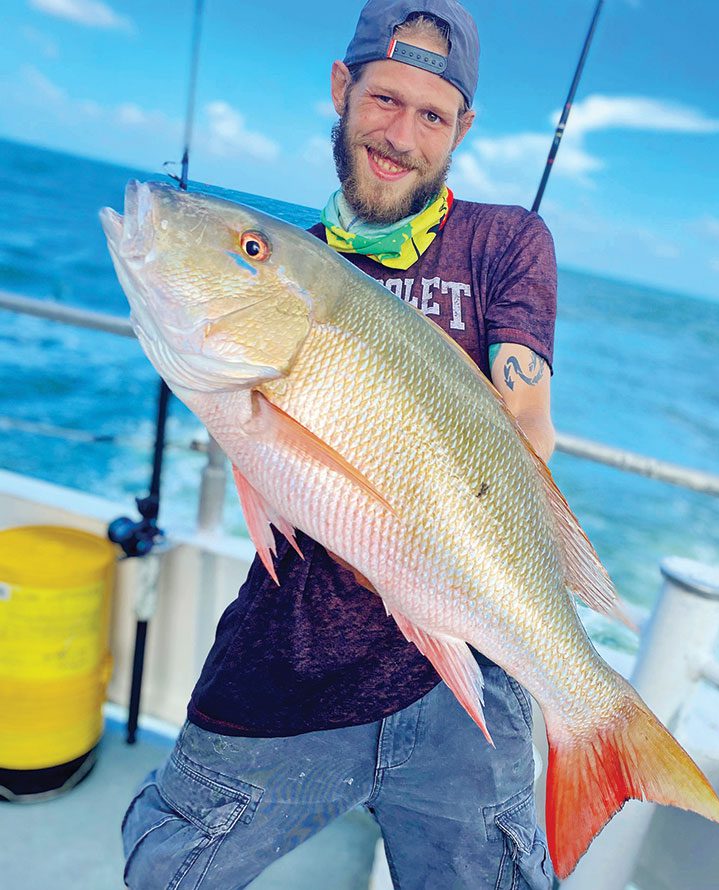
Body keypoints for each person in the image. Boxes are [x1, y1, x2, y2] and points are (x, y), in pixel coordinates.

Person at [121, 1, 557, 887]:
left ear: (462, 128)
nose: (401, 135)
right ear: (341, 89)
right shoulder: (301, 264)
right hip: (295, 654)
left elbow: (526, 439)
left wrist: (427, 540)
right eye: (384, 100)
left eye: (432, 115)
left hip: (463, 660)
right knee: (166, 871)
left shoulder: (505, 243)